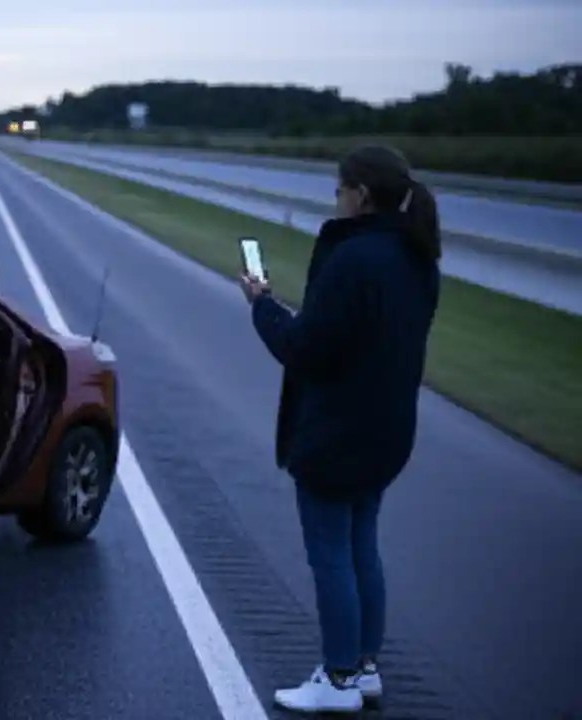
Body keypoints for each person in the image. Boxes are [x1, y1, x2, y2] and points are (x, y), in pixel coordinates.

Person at [239, 144, 442, 714]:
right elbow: (356, 338)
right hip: (387, 430)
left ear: (359, 194)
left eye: (338, 189)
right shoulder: (417, 256)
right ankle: (365, 667)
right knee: (362, 550)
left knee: (331, 555)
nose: (335, 198)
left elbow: (305, 349)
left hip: (337, 432)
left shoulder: (352, 259)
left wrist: (261, 305)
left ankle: (338, 678)